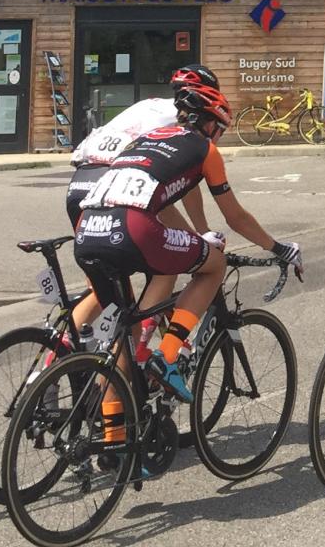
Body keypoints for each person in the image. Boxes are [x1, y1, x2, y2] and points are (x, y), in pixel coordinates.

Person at [74, 83, 301, 409]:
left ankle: (112, 432)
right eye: (220, 129)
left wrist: (195, 236)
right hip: (131, 229)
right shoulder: (206, 150)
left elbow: (160, 198)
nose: (219, 136)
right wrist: (277, 247)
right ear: (209, 123)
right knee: (215, 264)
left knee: (125, 340)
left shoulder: (145, 139)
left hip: (87, 229)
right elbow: (236, 217)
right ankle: (167, 356)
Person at [62, 67, 217, 343]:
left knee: (107, 289)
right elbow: (187, 184)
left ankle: (58, 353)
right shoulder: (187, 119)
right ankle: (142, 345)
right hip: (120, 183)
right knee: (172, 259)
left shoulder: (148, 106)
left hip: (81, 184)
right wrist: (203, 233)